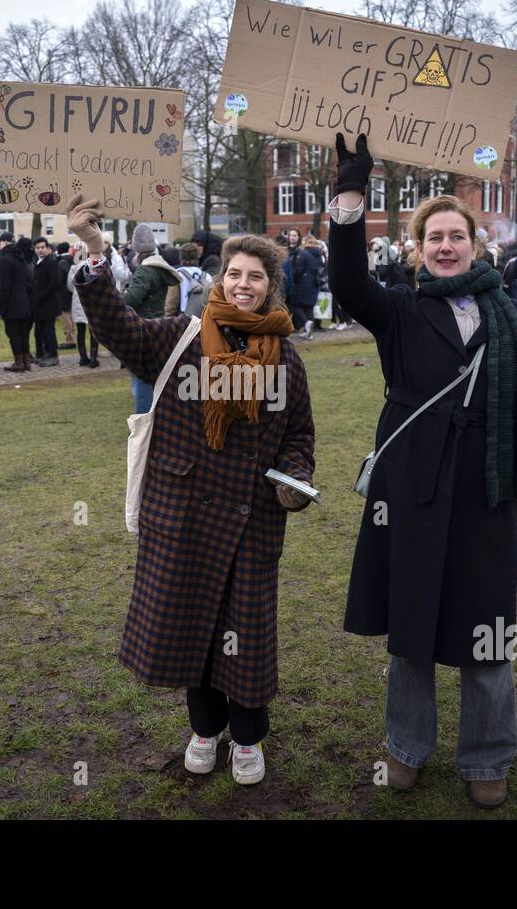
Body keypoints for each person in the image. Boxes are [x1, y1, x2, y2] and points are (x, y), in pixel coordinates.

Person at [324, 133, 517, 808]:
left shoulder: (513, 317)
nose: (446, 246)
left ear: (477, 246)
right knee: (412, 626)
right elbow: (344, 281)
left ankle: (488, 756)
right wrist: (350, 189)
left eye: (457, 235)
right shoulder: (398, 312)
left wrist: (504, 462)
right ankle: (406, 747)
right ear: (417, 249)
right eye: (434, 238)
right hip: (411, 492)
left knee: (485, 629)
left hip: (485, 496)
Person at [67, 193, 316, 787]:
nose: (243, 284)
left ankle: (249, 739)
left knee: (247, 634)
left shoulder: (284, 357)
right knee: (194, 631)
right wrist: (96, 250)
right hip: (182, 513)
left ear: (270, 286)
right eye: (234, 273)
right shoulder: (178, 338)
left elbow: (299, 434)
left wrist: (296, 477)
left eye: (255, 276)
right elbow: (117, 329)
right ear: (220, 280)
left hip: (253, 519)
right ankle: (205, 729)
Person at [121, 224, 181, 407]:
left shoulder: (145, 271)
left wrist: (120, 295)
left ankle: (145, 421)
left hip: (144, 330)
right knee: (150, 378)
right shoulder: (157, 267)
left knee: (142, 380)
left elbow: (131, 299)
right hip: (157, 325)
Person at [0, 231, 35, 372]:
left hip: (12, 304)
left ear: (4, 242)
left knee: (13, 334)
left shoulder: (6, 259)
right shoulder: (21, 257)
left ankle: (19, 363)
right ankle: (26, 361)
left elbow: (4, 286)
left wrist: (1, 306)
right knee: (23, 333)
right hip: (24, 302)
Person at [31, 237, 63, 366]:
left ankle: (53, 355)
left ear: (47, 248)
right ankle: (43, 353)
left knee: (49, 330)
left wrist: (41, 296)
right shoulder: (37, 262)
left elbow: (55, 282)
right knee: (41, 330)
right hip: (39, 304)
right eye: (37, 248)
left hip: (48, 303)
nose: (40, 250)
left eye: (42, 248)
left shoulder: (51, 262)